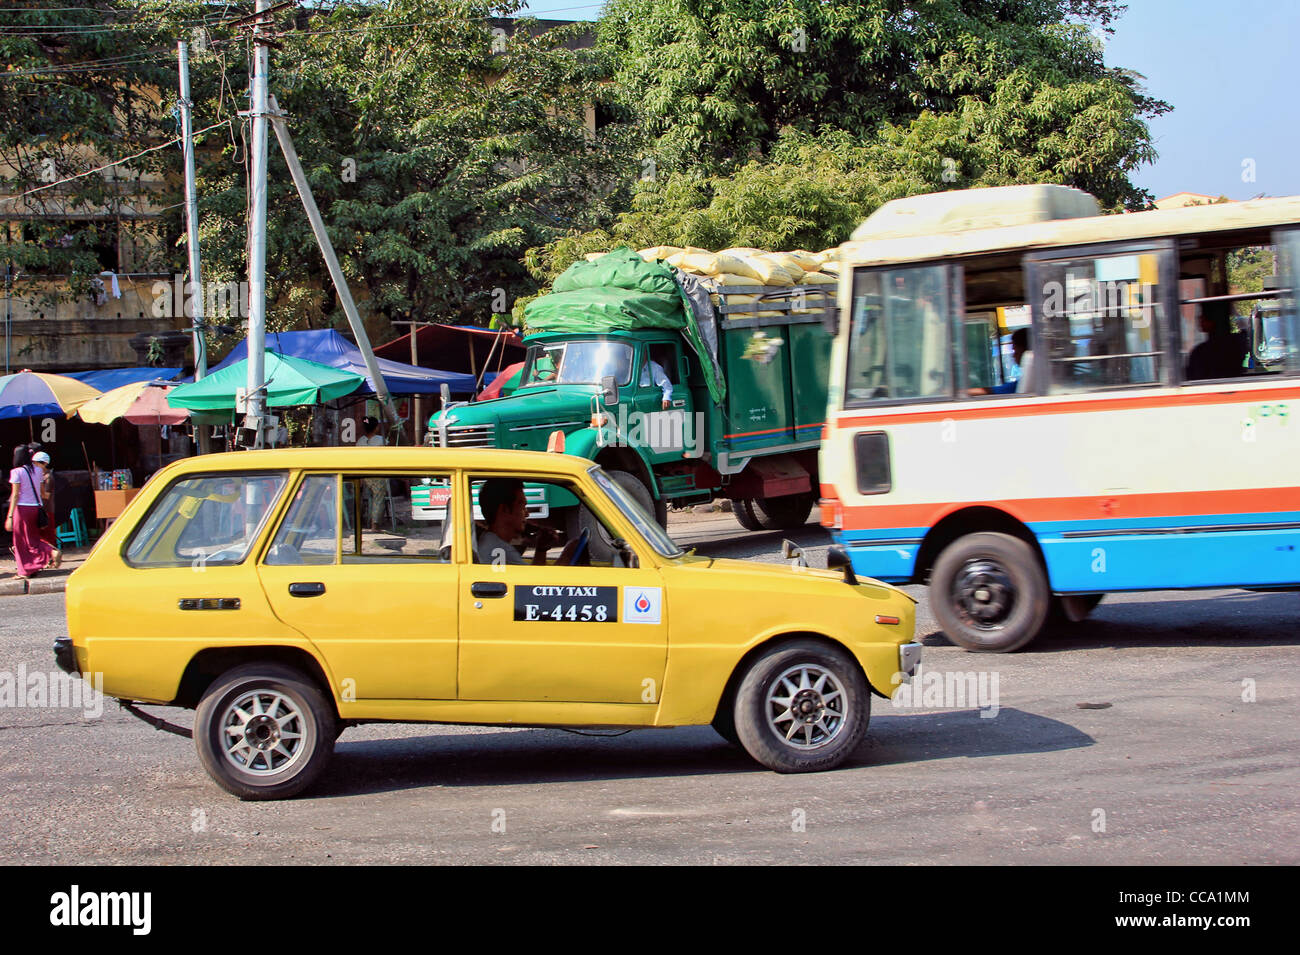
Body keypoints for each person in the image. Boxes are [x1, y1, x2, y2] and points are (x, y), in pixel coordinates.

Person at [475, 477, 577, 565]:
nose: (527, 514)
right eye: (522, 506)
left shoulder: (494, 543)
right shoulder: (498, 549)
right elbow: (539, 584)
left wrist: (541, 549)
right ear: (504, 510)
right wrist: (568, 554)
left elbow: (532, 580)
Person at [6, 444, 59, 578]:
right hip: (36, 508)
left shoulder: (16, 472)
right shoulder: (37, 471)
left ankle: (27, 569)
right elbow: (42, 492)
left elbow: (16, 495)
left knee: (20, 540)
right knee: (32, 538)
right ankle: (32, 568)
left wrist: (10, 516)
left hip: (22, 509)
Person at [1186, 301, 1247, 381]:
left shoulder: (1201, 352)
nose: (1199, 318)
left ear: (1212, 320)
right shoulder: (1236, 343)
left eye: (1202, 314)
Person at [354, 416, 387, 530]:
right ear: (376, 428)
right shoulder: (380, 440)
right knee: (379, 497)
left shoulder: (360, 441)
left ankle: (363, 521)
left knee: (366, 497)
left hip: (364, 474)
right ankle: (375, 524)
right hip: (377, 473)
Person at [31, 450, 57, 548]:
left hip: (47, 510)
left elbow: (46, 496)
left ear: (45, 464)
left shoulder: (48, 478)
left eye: (37, 463)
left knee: (48, 536)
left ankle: (52, 556)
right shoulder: (38, 476)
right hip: (39, 510)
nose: (35, 465)